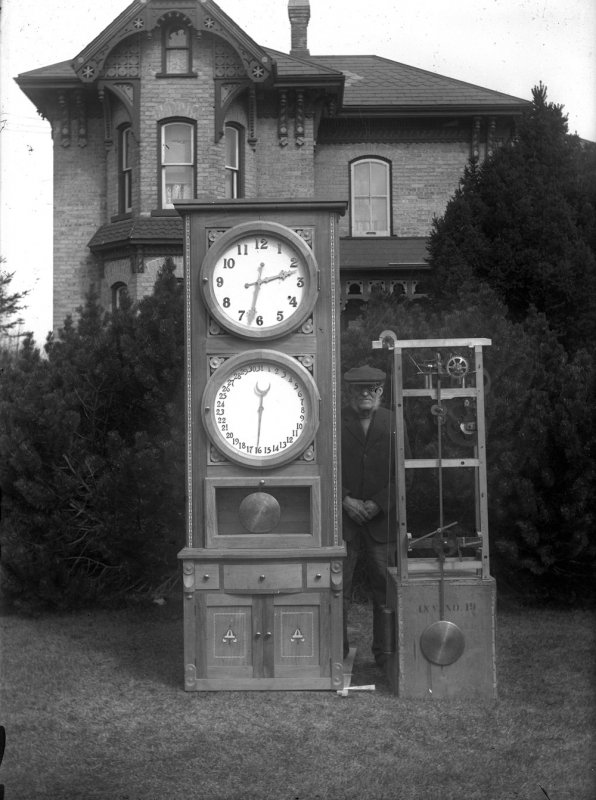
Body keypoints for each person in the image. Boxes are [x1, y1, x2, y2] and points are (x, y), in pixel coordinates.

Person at [341, 365, 397, 669]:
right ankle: (335, 653)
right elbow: (324, 467)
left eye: (371, 389)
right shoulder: (335, 421)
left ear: (381, 392)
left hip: (381, 522)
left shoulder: (393, 421)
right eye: (358, 389)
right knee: (338, 589)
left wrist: (378, 504)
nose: (364, 394)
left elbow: (404, 474)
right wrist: (344, 500)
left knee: (385, 592)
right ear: (350, 392)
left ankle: (386, 655)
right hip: (345, 521)